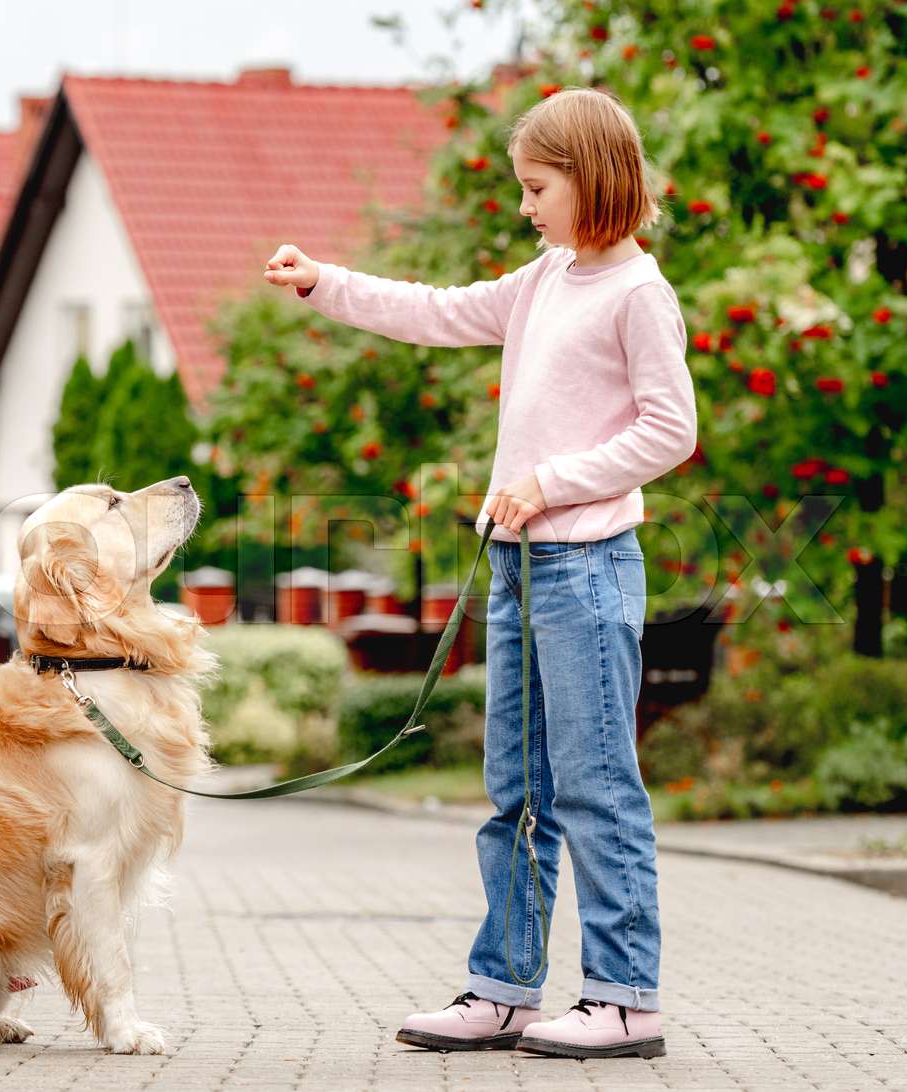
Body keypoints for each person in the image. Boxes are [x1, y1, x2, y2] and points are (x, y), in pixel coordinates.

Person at [261, 86, 696, 1061]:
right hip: (517, 568)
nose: (525, 206)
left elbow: (672, 430)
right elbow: (436, 311)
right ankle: (503, 989)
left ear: (594, 181)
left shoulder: (637, 293)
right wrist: (321, 282)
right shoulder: (544, 278)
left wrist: (551, 481)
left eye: (537, 187)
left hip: (587, 569)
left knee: (596, 791)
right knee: (517, 790)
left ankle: (624, 1000)